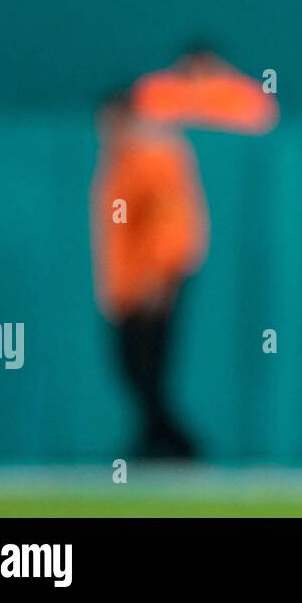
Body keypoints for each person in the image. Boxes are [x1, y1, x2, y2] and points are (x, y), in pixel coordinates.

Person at [91, 88, 207, 459]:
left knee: (147, 367)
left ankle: (173, 443)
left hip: (152, 283)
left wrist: (159, 276)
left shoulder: (155, 155)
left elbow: (172, 223)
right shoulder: (120, 161)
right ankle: (159, 441)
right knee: (132, 367)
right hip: (128, 286)